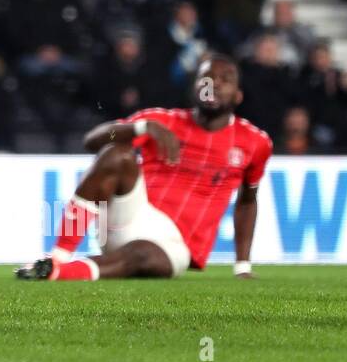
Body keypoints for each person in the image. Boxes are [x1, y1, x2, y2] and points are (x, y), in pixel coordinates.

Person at [17, 55, 272, 281]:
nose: (214, 83)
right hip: (133, 215)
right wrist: (141, 128)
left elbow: (247, 201)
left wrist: (242, 265)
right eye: (207, 77)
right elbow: (92, 140)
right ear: (195, 86)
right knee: (116, 153)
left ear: (238, 95)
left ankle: (56, 273)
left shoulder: (255, 142)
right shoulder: (162, 120)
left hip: (175, 244)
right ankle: (58, 257)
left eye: (224, 79)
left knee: (143, 253)